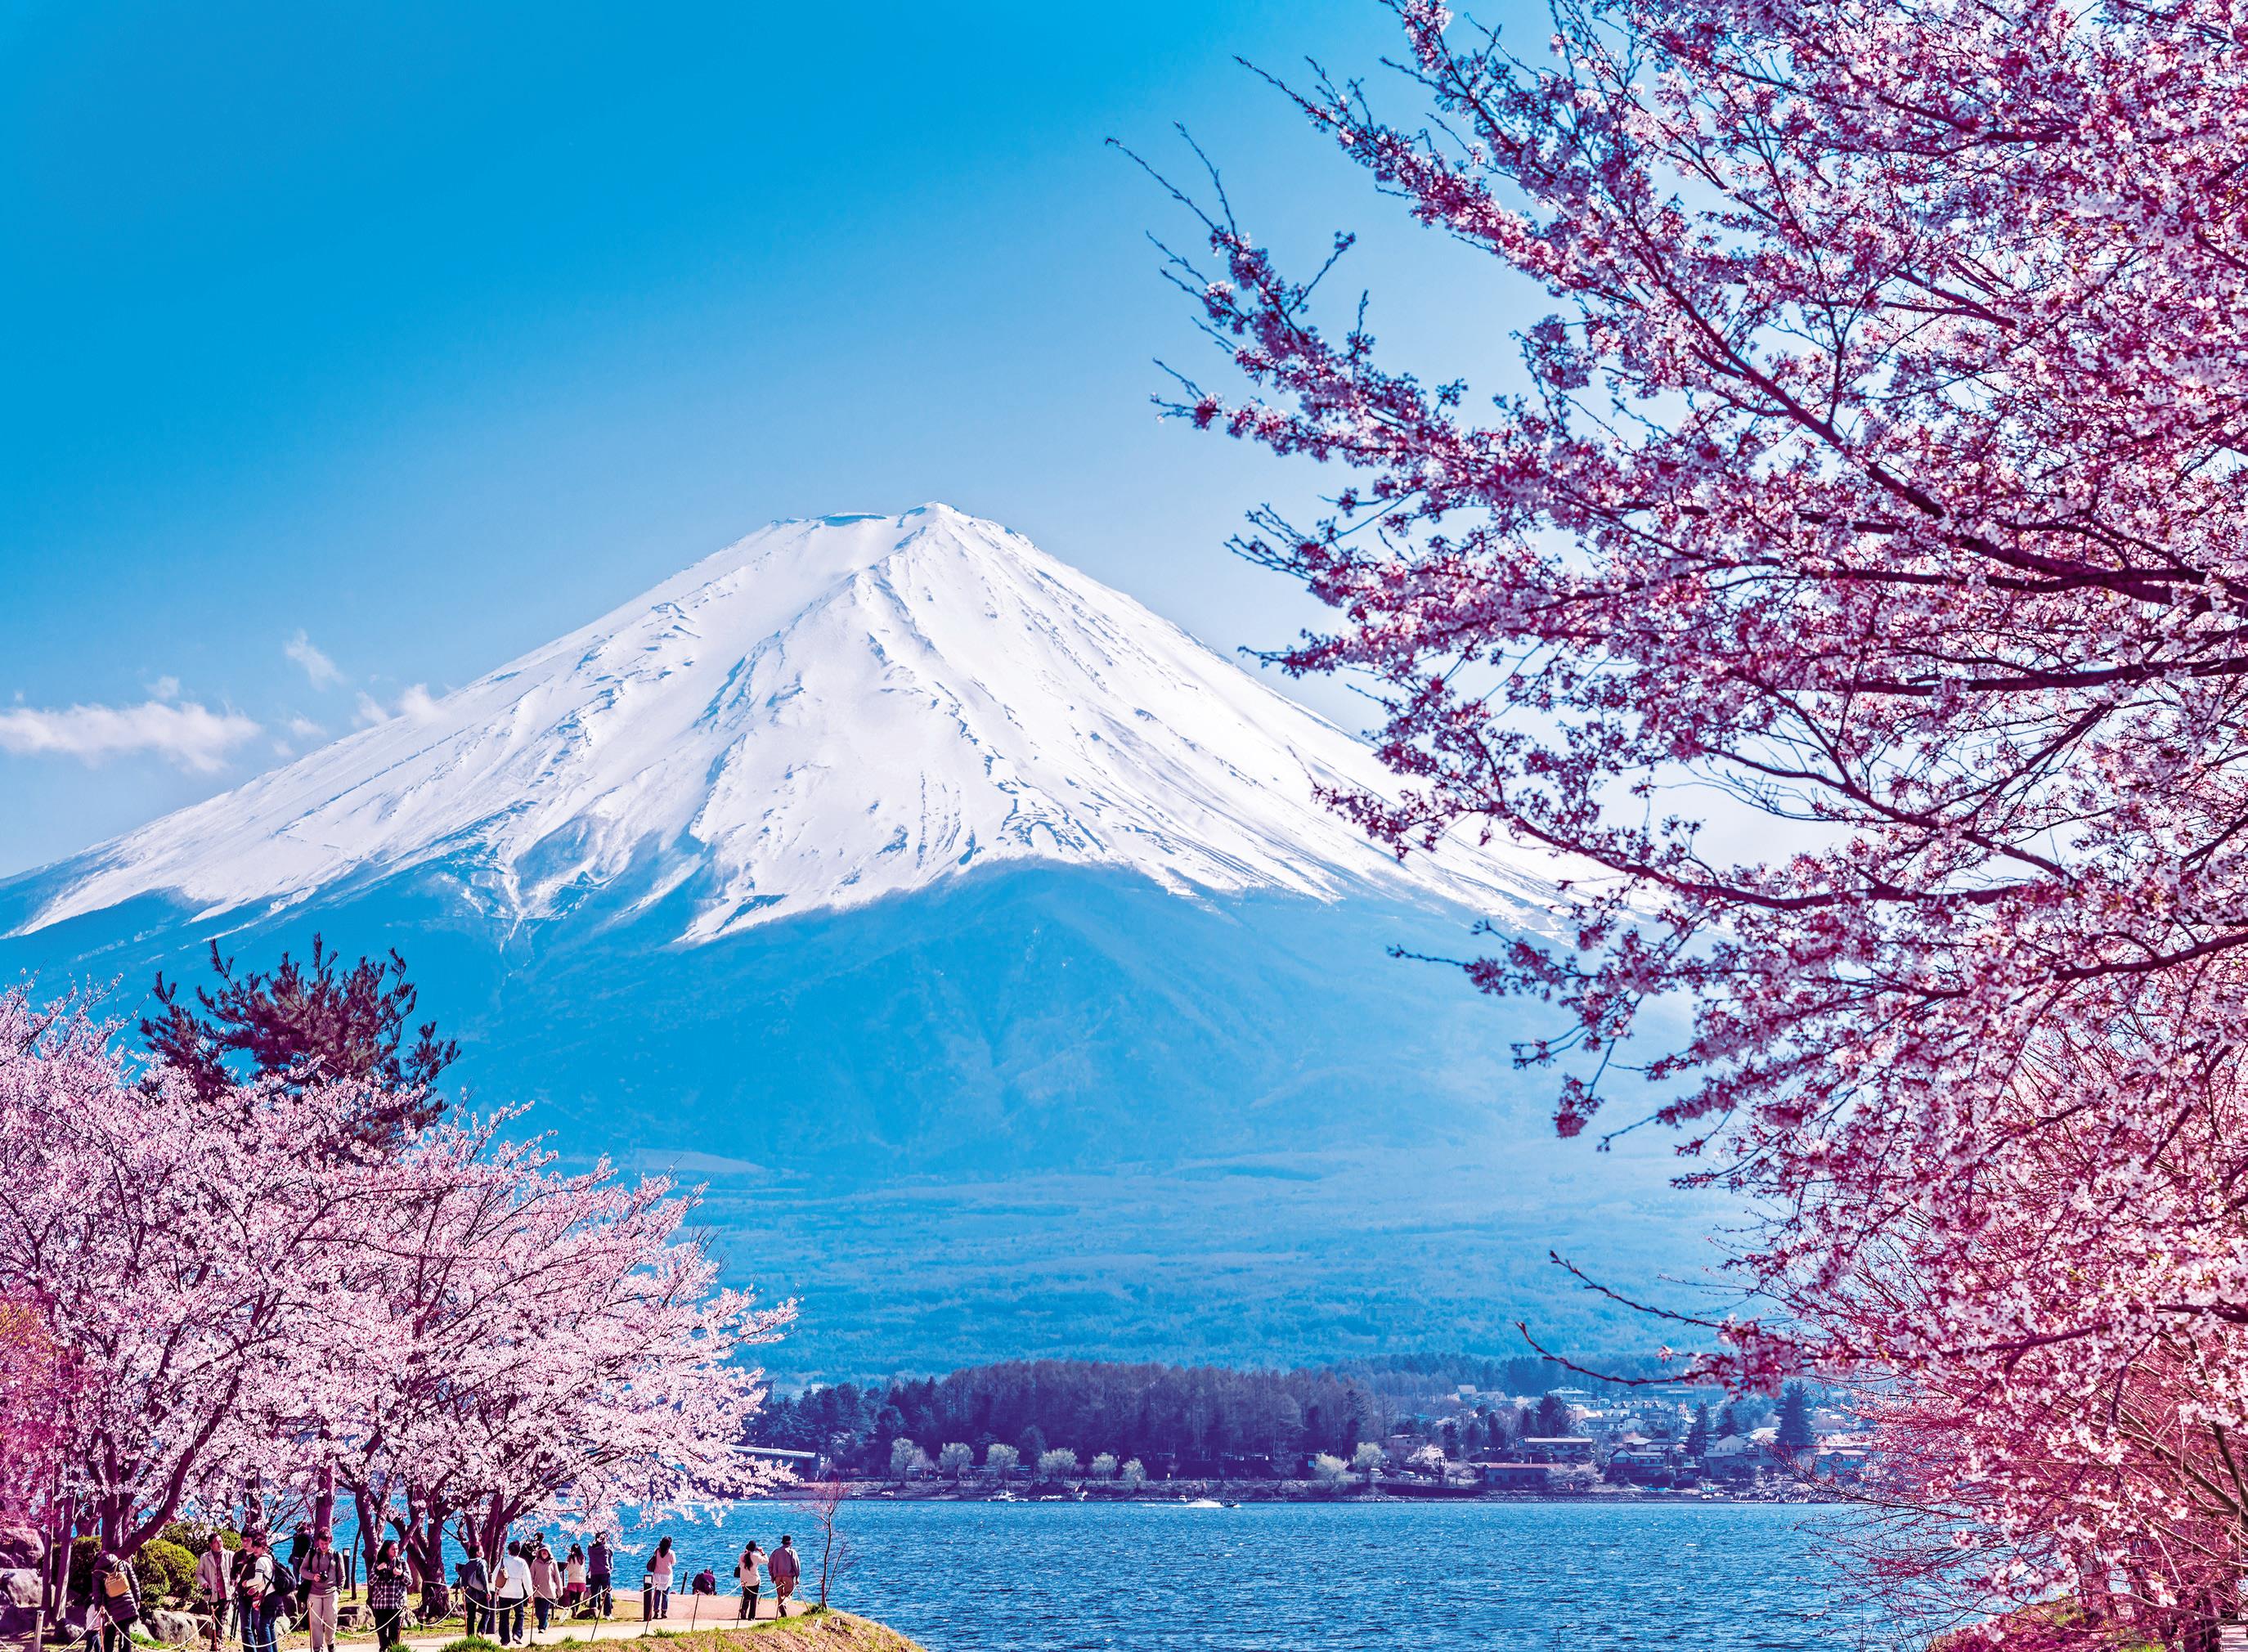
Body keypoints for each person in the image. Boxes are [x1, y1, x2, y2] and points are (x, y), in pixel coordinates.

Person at [298, 1530, 345, 1652]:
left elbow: (342, 1576)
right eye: (321, 1543)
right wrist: (313, 1576)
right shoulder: (312, 1553)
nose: (324, 1546)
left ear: (330, 1542)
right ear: (318, 1542)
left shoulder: (336, 1555)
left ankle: (330, 1642)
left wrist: (338, 1591)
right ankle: (317, 1648)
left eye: (326, 1543)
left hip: (331, 1592)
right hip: (314, 1593)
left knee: (331, 1619)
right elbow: (302, 1570)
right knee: (315, 1623)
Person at [229, 1534, 274, 1652]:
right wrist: (234, 1579)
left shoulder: (260, 1556)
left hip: (257, 1595)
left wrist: (252, 1585)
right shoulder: (238, 1555)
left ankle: (262, 1650)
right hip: (243, 1594)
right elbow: (233, 1571)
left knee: (259, 1624)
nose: (245, 1543)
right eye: (243, 1541)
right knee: (245, 1627)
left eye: (248, 1540)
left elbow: (266, 1576)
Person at [88, 1550, 139, 1652]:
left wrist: (98, 1607)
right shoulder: (123, 1564)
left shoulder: (97, 1573)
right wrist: (137, 1599)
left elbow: (97, 1593)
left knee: (109, 1633)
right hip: (127, 1604)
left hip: (110, 1608)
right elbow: (134, 1583)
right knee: (125, 1632)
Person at [366, 1540, 409, 1652]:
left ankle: (393, 1649)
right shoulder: (378, 1562)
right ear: (387, 1550)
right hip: (381, 1604)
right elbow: (370, 1581)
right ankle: (383, 1648)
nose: (396, 1551)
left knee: (395, 1632)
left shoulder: (401, 1562)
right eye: (393, 1549)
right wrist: (378, 1570)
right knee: (381, 1632)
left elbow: (409, 1581)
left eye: (396, 1549)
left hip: (397, 1604)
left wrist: (401, 1574)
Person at [195, 1534, 232, 1652]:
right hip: (212, 1593)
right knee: (215, 1618)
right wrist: (204, 1583)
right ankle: (215, 1642)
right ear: (211, 1544)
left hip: (226, 1592)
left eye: (221, 1541)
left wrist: (235, 1583)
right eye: (216, 1542)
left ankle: (217, 1643)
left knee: (221, 1617)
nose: (219, 1543)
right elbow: (198, 1574)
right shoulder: (205, 1558)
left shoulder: (230, 1555)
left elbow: (237, 1571)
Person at [494, 1541, 532, 1646]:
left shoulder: (503, 1560)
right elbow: (527, 1580)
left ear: (509, 1551)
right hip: (517, 1593)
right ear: (519, 1551)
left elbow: (494, 1576)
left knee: (504, 1616)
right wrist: (530, 1594)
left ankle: (505, 1639)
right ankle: (517, 1634)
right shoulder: (522, 1563)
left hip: (504, 1592)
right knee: (519, 1615)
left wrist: (496, 1588)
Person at [455, 1551, 491, 1641]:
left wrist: (463, 1591)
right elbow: (484, 1578)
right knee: (487, 1612)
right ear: (477, 1553)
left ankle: (470, 1638)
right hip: (481, 1593)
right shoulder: (482, 1563)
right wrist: (488, 1591)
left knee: (470, 1616)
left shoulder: (466, 1566)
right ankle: (481, 1630)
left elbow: (462, 1582)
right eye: (481, 1550)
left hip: (469, 1594)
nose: (483, 1552)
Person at [527, 1540, 559, 1636]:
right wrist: (530, 1588)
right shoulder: (535, 1563)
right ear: (540, 1552)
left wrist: (559, 1590)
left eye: (546, 1551)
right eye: (542, 1551)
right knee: (538, 1612)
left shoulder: (553, 1563)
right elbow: (530, 1575)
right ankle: (545, 1623)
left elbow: (557, 1577)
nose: (544, 1552)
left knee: (544, 1610)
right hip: (538, 1591)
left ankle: (541, 1627)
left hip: (549, 1591)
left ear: (549, 1552)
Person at [644, 1536, 675, 1622]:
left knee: (657, 1594)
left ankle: (656, 1612)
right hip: (667, 1576)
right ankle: (664, 1612)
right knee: (665, 1594)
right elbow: (673, 1563)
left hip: (657, 1575)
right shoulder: (671, 1553)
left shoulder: (657, 1551)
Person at [768, 1538, 799, 1618]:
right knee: (789, 1593)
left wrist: (772, 1575)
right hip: (788, 1576)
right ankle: (784, 1605)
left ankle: (782, 1613)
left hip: (777, 1576)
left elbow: (770, 1564)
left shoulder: (776, 1552)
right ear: (790, 1543)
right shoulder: (792, 1552)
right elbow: (796, 1564)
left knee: (780, 1594)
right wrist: (797, 1577)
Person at [585, 1534, 612, 1621]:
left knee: (594, 1593)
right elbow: (611, 1555)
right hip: (605, 1572)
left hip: (594, 1573)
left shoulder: (590, 1549)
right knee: (606, 1593)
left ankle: (593, 1611)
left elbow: (589, 1548)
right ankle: (607, 1614)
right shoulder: (606, 1548)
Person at [734, 1544, 763, 1623]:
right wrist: (762, 1552)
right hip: (754, 1580)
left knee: (746, 1596)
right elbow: (766, 1561)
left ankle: (744, 1609)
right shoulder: (756, 1556)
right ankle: (751, 1616)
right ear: (755, 1549)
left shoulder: (741, 1556)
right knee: (753, 1598)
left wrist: (745, 1553)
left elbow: (740, 1564)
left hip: (744, 1580)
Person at [562, 1544, 586, 1615]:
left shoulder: (570, 1558)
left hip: (572, 1579)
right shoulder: (582, 1558)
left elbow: (567, 1568)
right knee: (578, 1598)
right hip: (581, 1580)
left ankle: (573, 1610)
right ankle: (575, 1611)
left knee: (572, 1597)